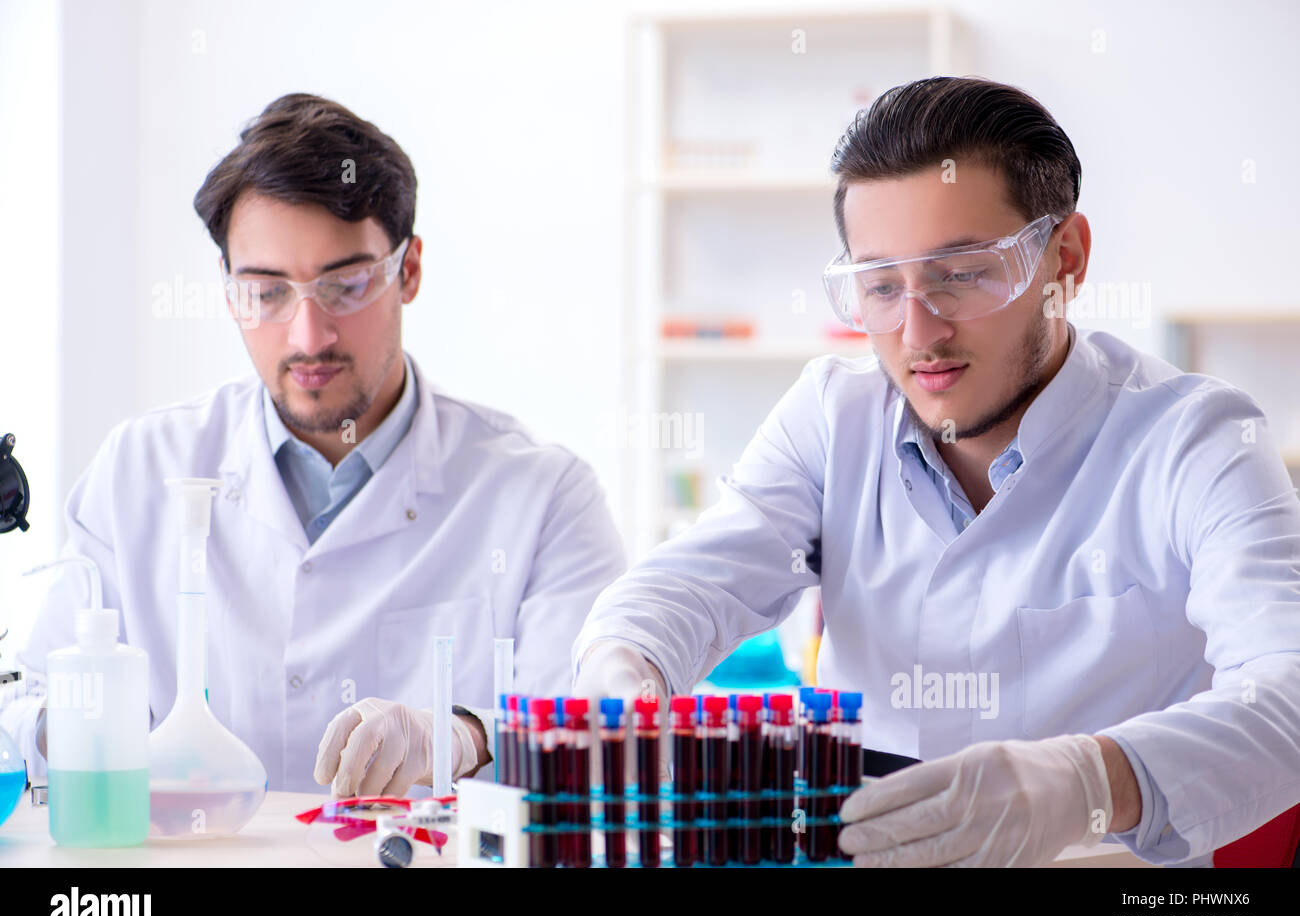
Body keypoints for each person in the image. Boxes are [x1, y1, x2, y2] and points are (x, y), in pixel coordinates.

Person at [572, 76, 1300, 866]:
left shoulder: (1198, 438)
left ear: (1066, 257)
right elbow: (691, 584)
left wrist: (1086, 780)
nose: (920, 332)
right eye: (882, 286)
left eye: (961, 273)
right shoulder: (831, 415)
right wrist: (623, 663)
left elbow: (1286, 692)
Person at [1, 93, 626, 797]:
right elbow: (21, 709)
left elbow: (597, 739)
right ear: (229, 288)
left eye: (346, 285)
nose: (308, 337)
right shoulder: (140, 472)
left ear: (408, 270)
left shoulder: (545, 497)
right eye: (267, 292)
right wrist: (74, 724)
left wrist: (464, 735)